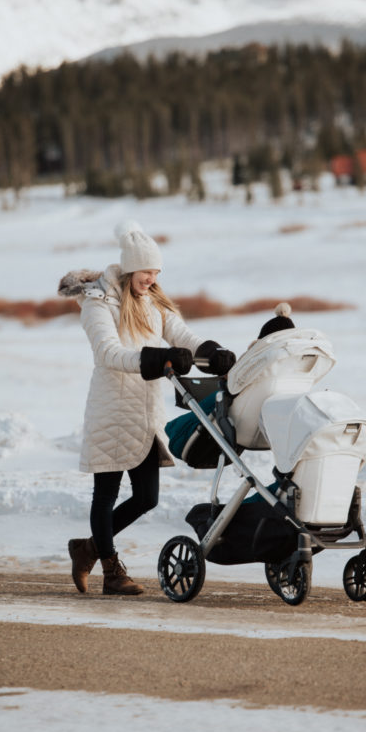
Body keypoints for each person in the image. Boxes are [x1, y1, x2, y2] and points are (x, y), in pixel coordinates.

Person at [58, 220, 236, 595]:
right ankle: (111, 571)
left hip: (145, 411)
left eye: (157, 271)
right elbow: (108, 353)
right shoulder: (97, 303)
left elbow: (182, 335)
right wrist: (156, 358)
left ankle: (87, 548)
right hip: (112, 409)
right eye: (146, 270)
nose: (152, 277)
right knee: (105, 494)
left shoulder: (153, 302)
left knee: (146, 497)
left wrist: (210, 351)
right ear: (128, 267)